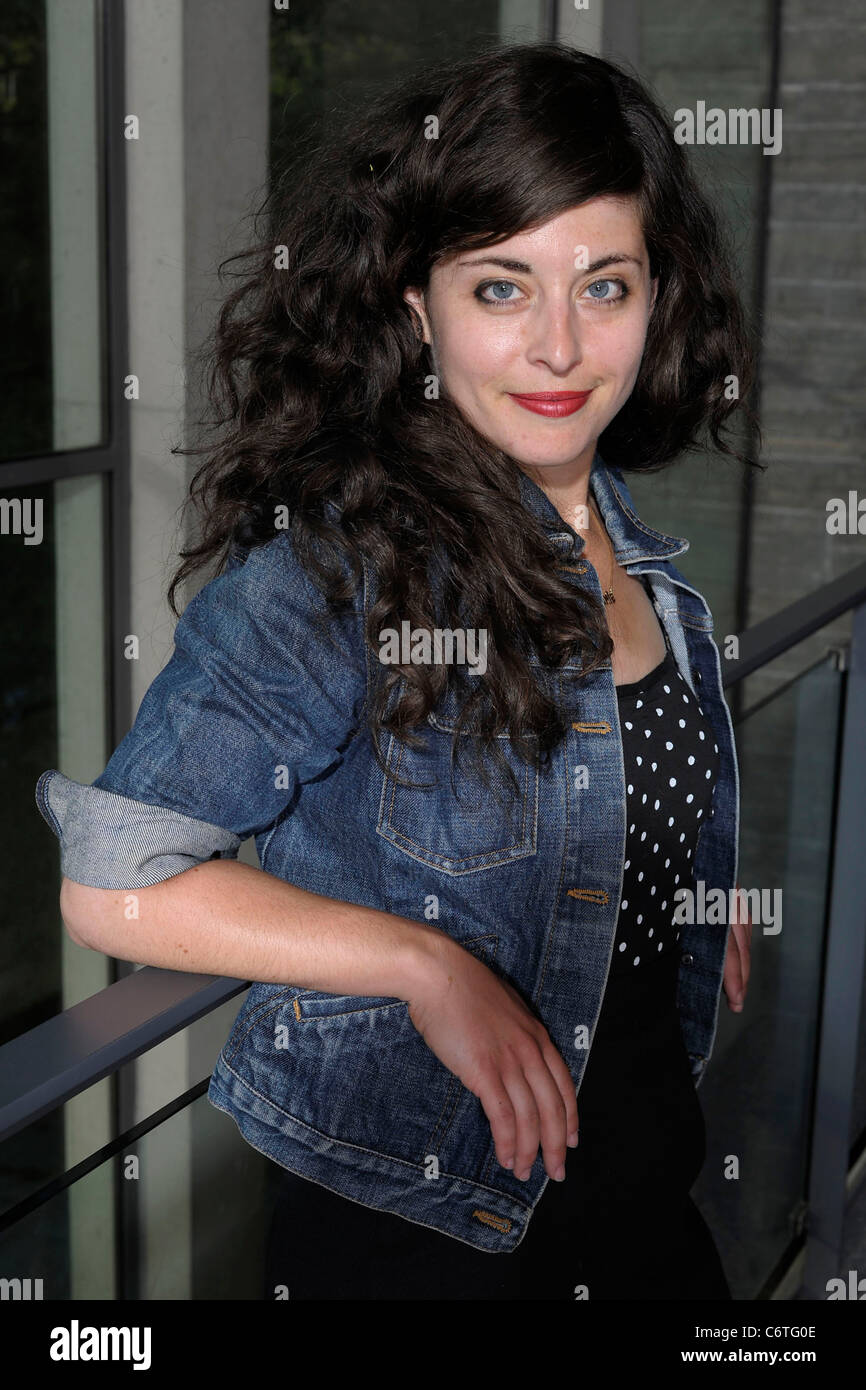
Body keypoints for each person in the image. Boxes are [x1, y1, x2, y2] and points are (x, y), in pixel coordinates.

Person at [36, 41, 757, 1300]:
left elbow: (592, 789)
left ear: (659, 297)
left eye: (603, 285)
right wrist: (422, 964)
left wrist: (683, 874)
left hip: (646, 1195)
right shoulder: (336, 580)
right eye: (497, 289)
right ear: (416, 307)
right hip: (424, 1237)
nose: (555, 345)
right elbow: (113, 881)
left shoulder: (652, 572)